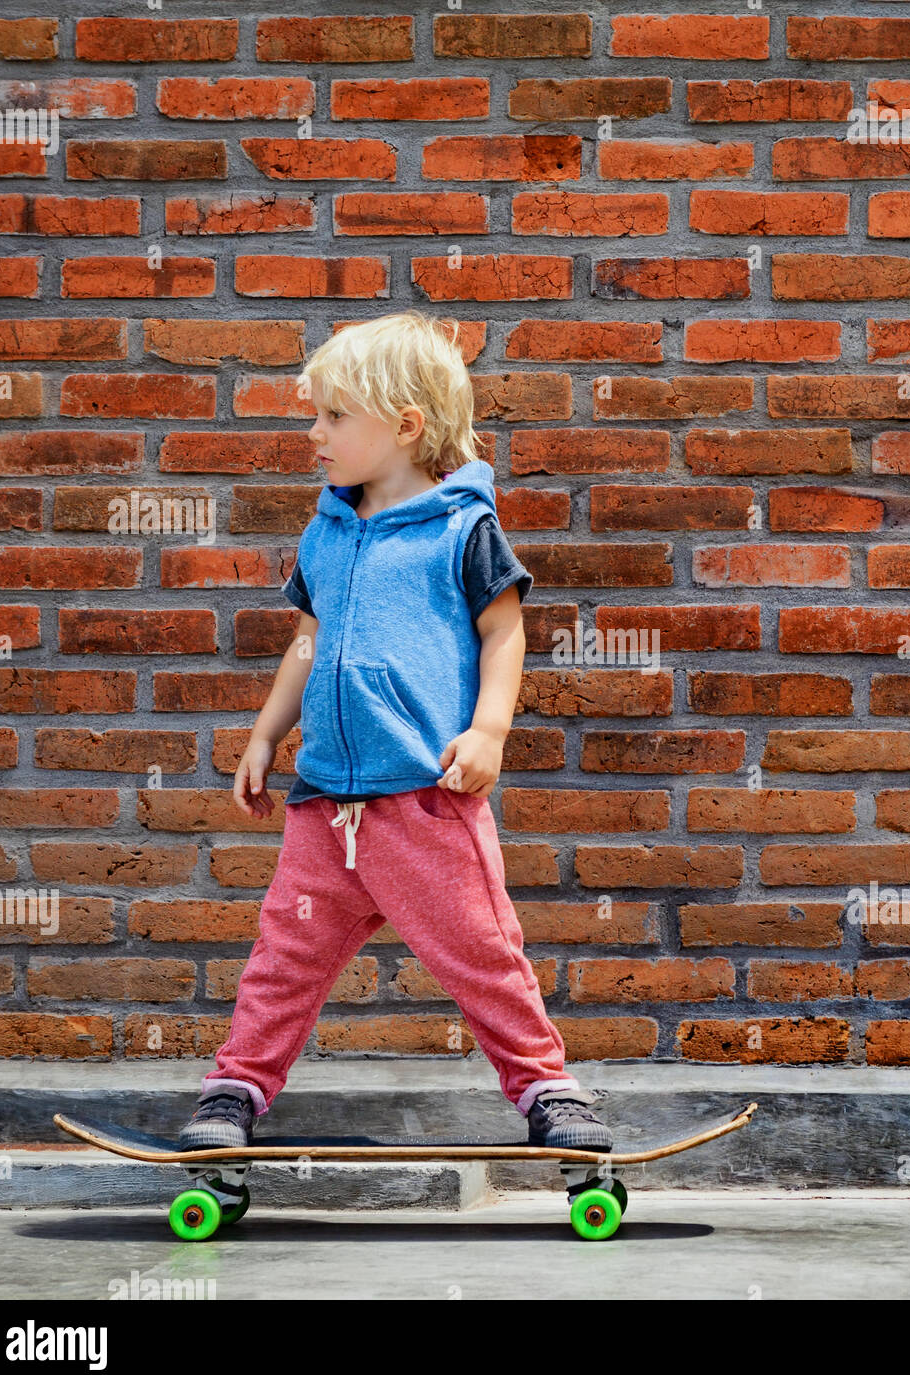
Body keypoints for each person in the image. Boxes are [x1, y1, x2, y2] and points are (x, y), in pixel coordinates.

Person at [176, 311, 612, 1153]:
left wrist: (489, 732)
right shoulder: (326, 531)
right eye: (316, 416)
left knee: (485, 958)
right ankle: (234, 1090)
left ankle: (547, 1090)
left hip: (427, 804)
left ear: (406, 425)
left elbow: (503, 633)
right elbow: (309, 638)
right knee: (282, 964)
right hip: (326, 809)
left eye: (334, 417)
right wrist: (268, 733)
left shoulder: (462, 529)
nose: (315, 434)